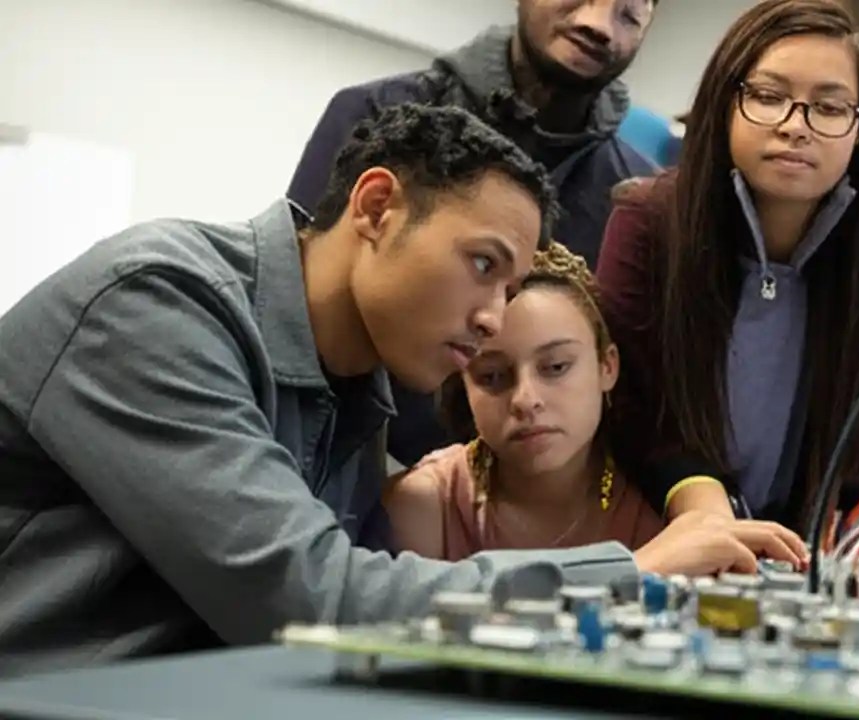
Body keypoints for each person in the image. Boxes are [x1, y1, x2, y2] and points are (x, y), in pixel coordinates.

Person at [0, 105, 784, 676]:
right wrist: (638, 571)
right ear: (377, 207)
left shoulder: (353, 390)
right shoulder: (156, 300)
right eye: (483, 264)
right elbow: (314, 600)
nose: (491, 319)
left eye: (511, 288)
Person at [596, 0, 859, 532]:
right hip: (662, 529)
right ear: (724, 102)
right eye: (769, 97)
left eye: (829, 107)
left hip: (810, 551)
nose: (795, 127)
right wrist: (705, 508)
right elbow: (628, 406)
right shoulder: (649, 220)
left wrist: (858, 531)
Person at [289, 0, 662, 470]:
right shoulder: (376, 115)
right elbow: (298, 314)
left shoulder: (634, 199)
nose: (598, 25)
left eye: (629, 13)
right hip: (329, 461)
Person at [383, 241, 806, 567]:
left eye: (556, 367)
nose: (526, 400)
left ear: (607, 367)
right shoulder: (425, 505)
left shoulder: (662, 504)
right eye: (492, 377)